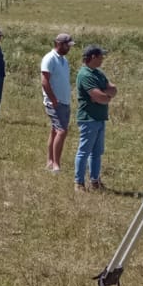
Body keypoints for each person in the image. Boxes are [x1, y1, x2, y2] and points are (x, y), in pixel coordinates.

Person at [74, 45, 117, 192]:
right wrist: (104, 96)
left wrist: (104, 94)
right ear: (93, 57)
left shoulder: (98, 73)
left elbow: (113, 90)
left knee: (97, 152)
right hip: (88, 118)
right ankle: (79, 182)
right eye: (101, 56)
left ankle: (95, 181)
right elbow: (101, 97)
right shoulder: (85, 75)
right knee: (84, 151)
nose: (102, 59)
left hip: (99, 118)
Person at [40, 33, 74, 172]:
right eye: (67, 45)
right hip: (54, 102)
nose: (69, 48)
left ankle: (50, 161)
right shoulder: (49, 58)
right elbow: (45, 81)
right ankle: (56, 165)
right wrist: (53, 99)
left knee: (55, 131)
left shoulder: (64, 60)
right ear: (58, 44)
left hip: (64, 101)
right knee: (62, 131)